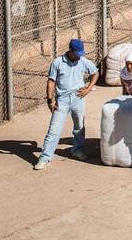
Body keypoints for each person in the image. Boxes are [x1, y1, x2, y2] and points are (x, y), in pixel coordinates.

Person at [35, 38, 98, 170]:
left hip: (78, 98)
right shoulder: (57, 63)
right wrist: (50, 100)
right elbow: (51, 81)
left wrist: (88, 88)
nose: (79, 56)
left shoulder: (83, 61)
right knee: (54, 130)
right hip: (62, 100)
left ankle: (77, 150)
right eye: (77, 53)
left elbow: (95, 72)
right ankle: (45, 158)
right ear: (71, 51)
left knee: (79, 126)